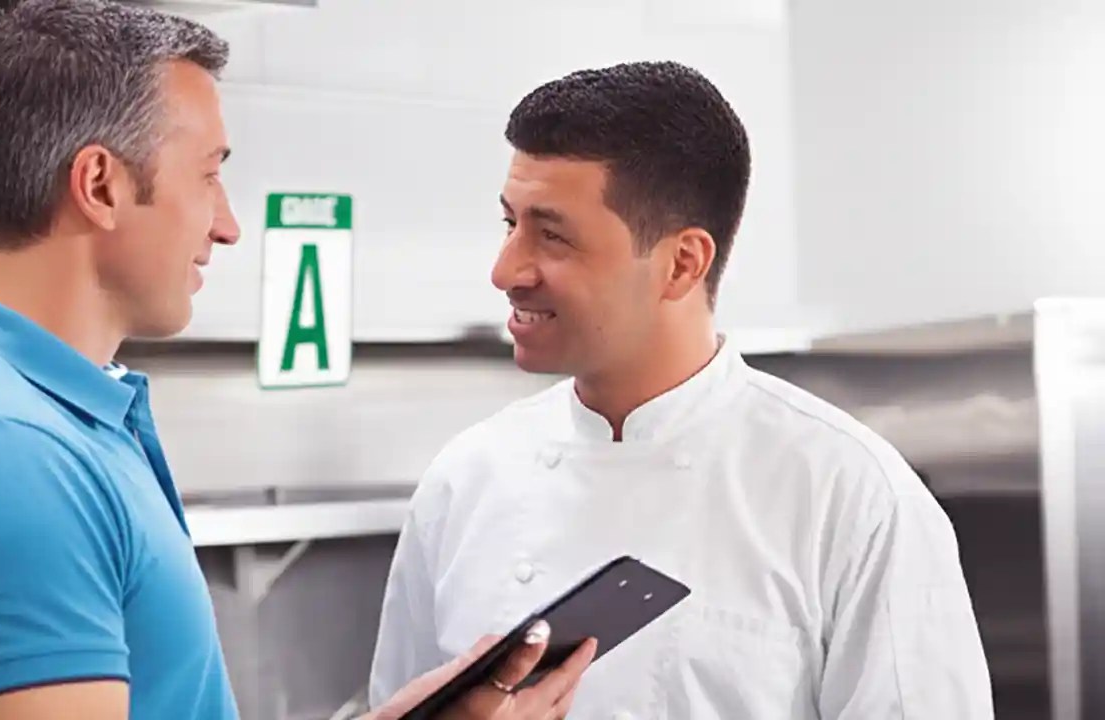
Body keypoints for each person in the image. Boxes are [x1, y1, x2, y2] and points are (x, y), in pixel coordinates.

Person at [0, 1, 594, 718]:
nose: (228, 225)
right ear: (100, 185)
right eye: (207, 175)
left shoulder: (33, 419)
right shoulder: (7, 455)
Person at [369, 61, 995, 718]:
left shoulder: (849, 496)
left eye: (551, 235)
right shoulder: (464, 481)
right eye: (509, 223)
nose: (505, 270)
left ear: (681, 263)